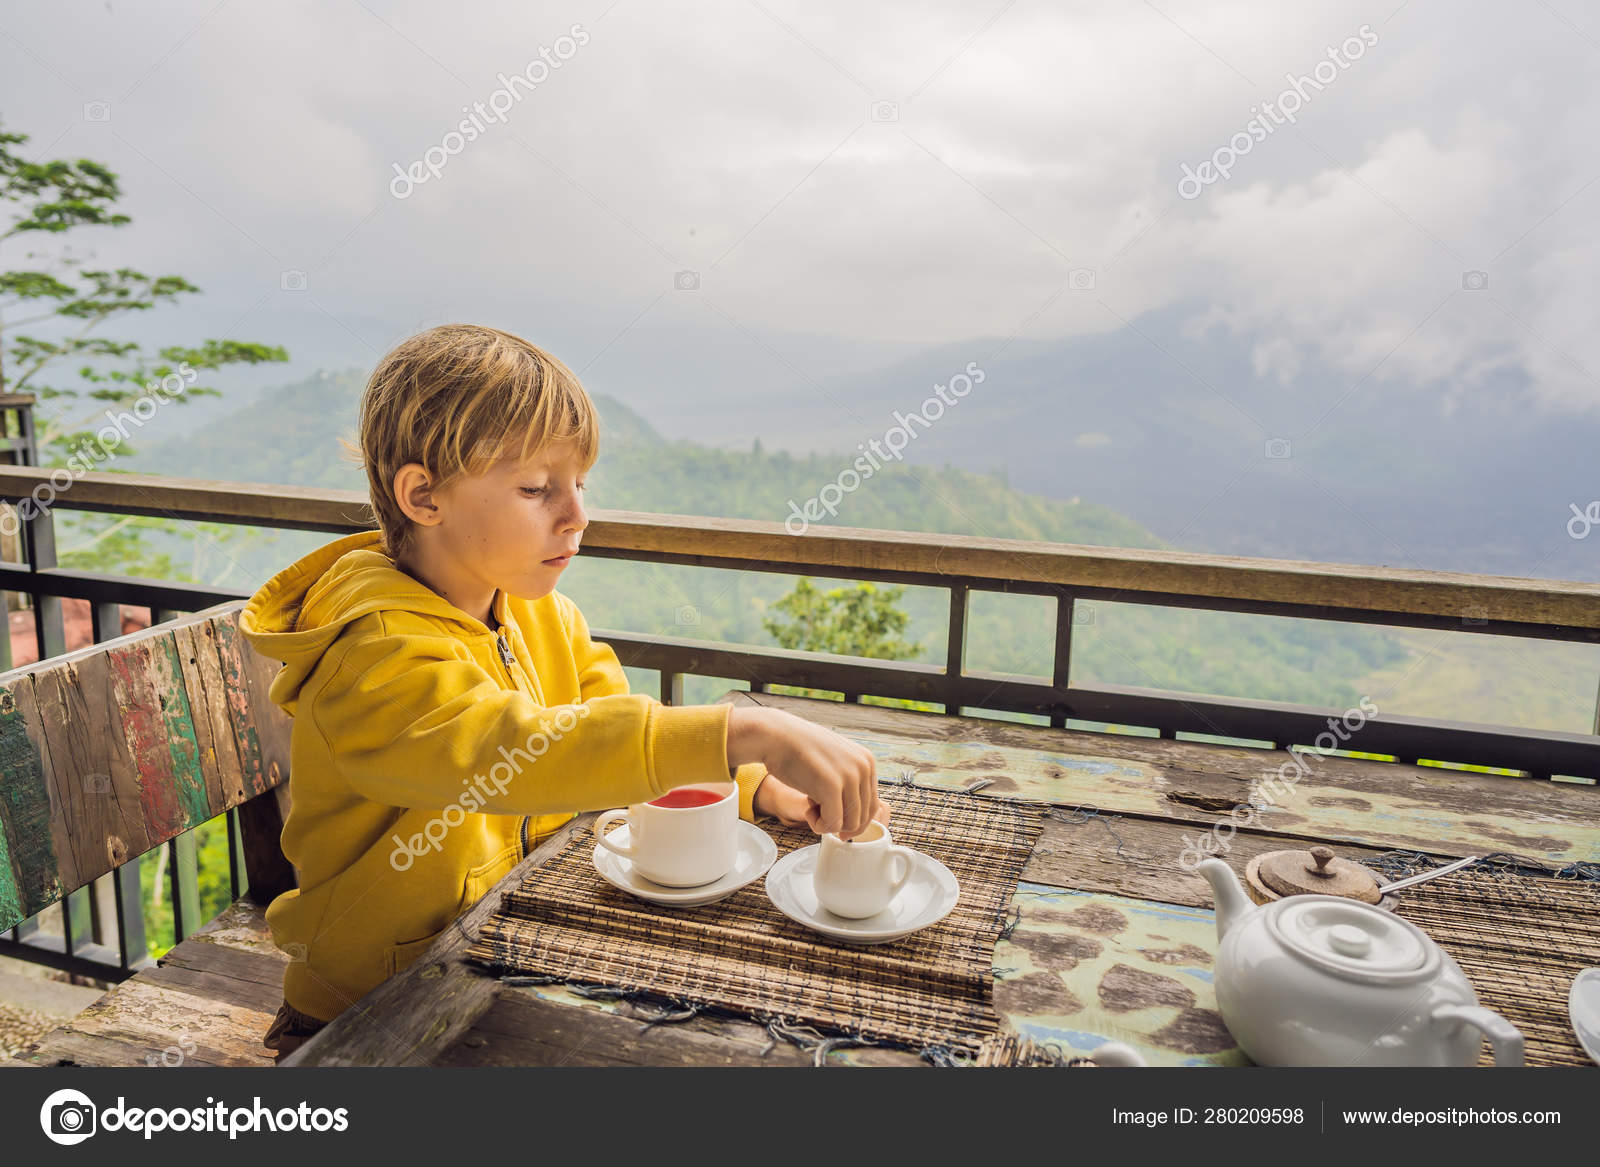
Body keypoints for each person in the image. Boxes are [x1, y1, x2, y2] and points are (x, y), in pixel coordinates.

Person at [241, 323, 885, 1062]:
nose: (576, 515)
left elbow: (614, 745)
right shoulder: (372, 650)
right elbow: (502, 748)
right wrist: (744, 730)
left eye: (579, 483)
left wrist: (758, 787)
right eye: (535, 488)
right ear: (423, 495)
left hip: (511, 944)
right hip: (371, 1009)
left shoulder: (540, 612)